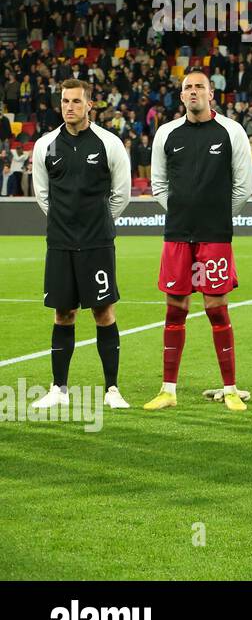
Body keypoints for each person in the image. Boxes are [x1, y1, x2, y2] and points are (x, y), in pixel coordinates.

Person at [144, 70, 252, 412]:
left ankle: (231, 389)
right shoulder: (166, 133)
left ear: (211, 94)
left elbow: (243, 186)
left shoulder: (232, 131)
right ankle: (167, 390)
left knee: (215, 308)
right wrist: (182, 211)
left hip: (214, 235)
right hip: (177, 233)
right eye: (187, 87)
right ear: (181, 96)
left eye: (199, 87)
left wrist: (215, 215)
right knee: (175, 309)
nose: (193, 92)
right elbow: (159, 185)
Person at [30, 79, 132, 412]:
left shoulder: (109, 143)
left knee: (103, 312)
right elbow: (43, 195)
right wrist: (66, 223)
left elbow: (121, 194)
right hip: (60, 243)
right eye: (64, 101)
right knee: (63, 313)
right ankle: (58, 388)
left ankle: (113, 389)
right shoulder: (46, 145)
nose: (69, 107)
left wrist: (95, 222)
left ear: (89, 104)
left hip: (97, 243)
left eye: (76, 101)